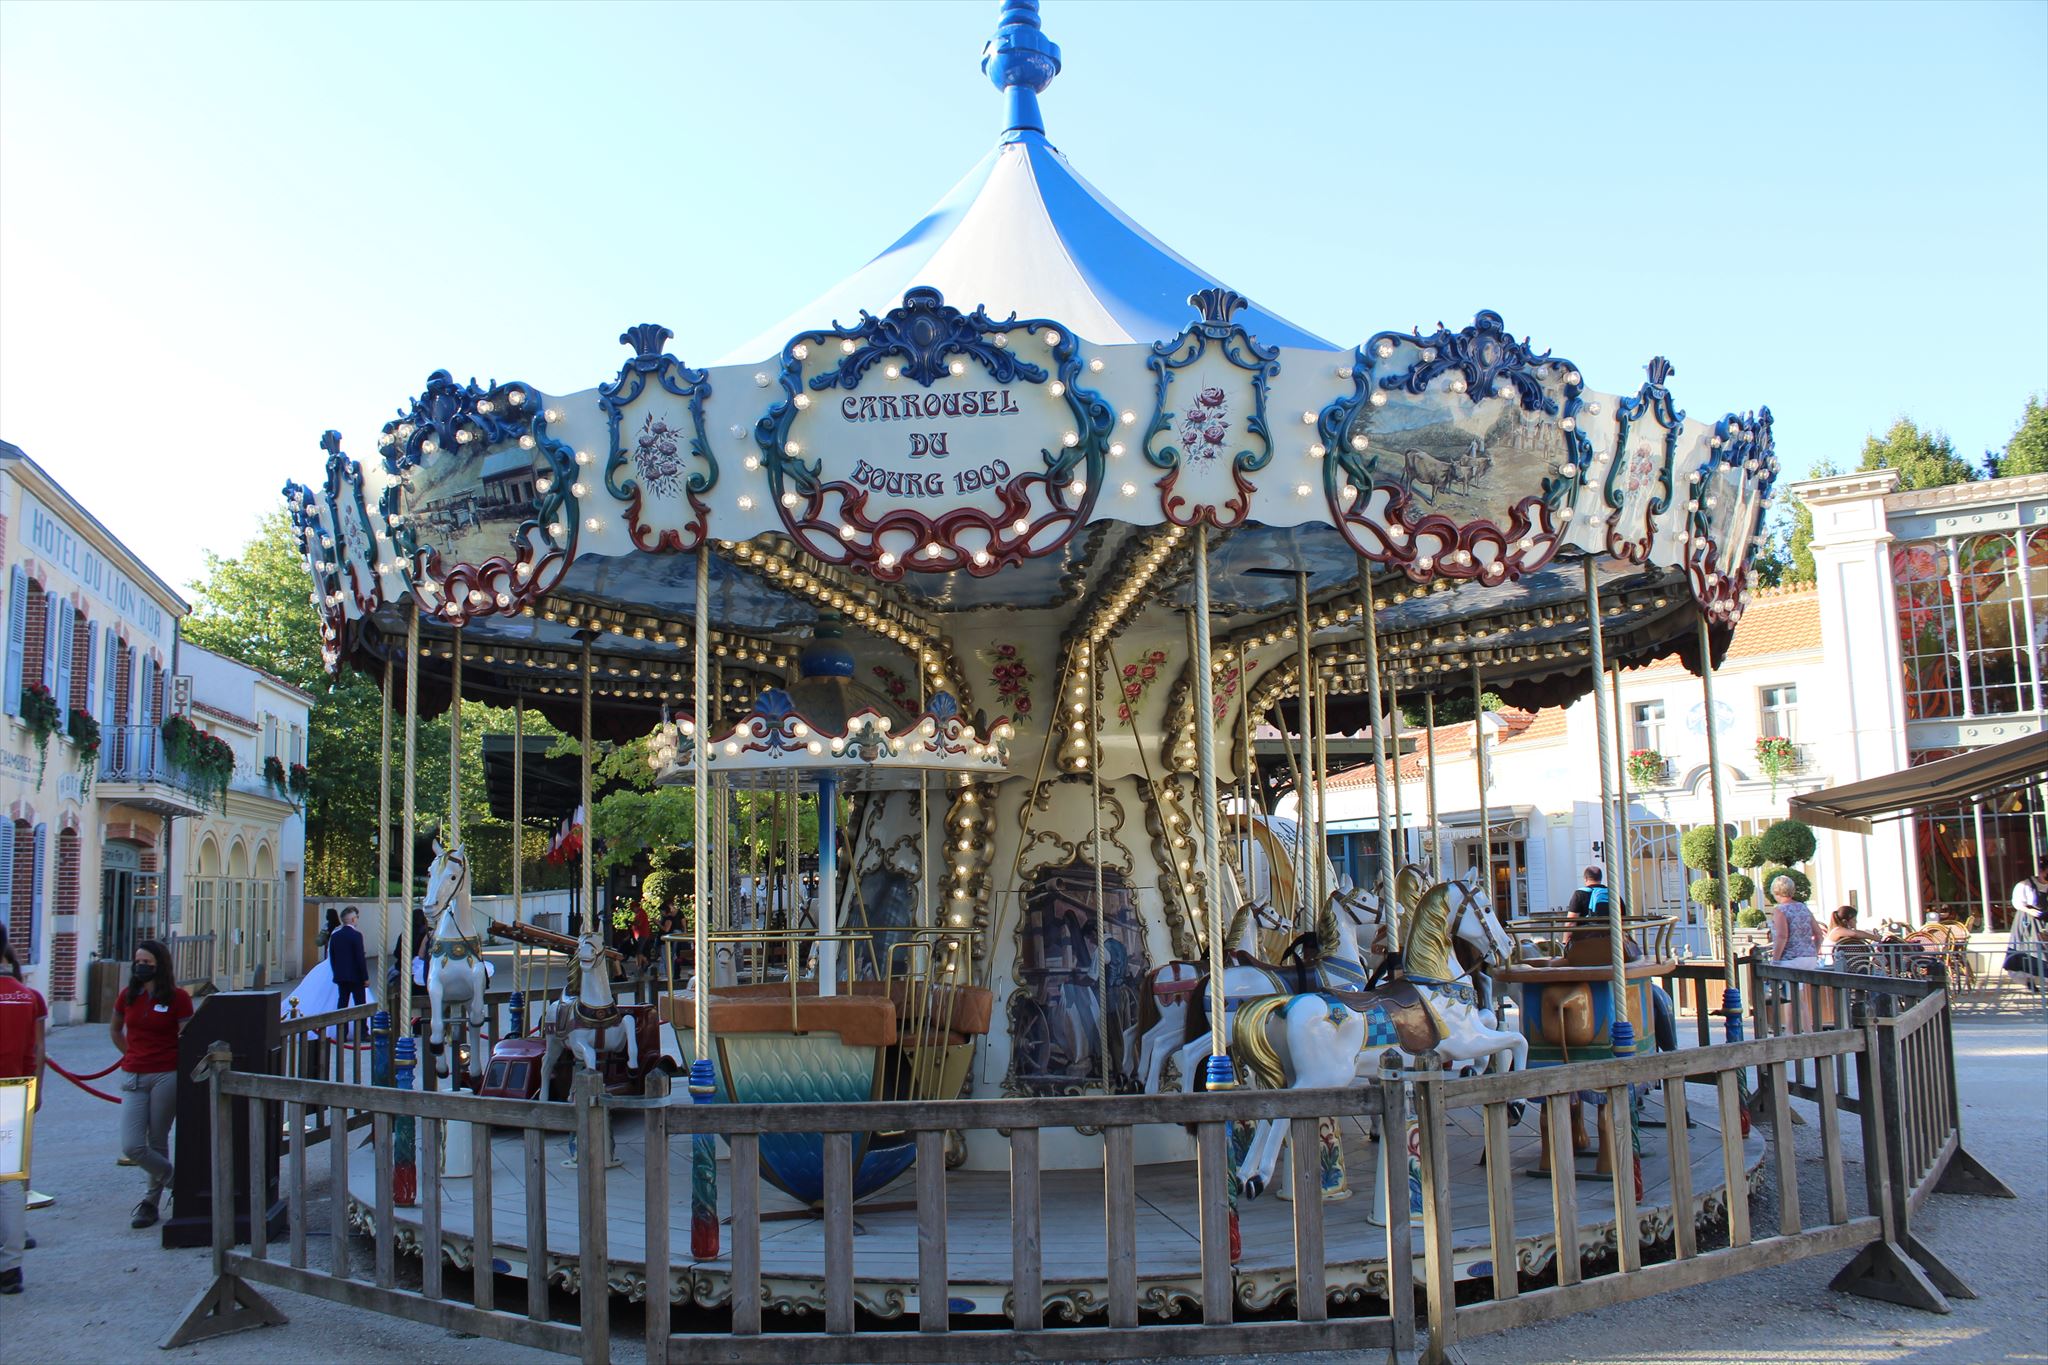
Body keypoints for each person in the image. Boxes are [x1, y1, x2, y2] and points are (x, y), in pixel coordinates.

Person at [109, 939, 192, 1229]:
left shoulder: (178, 998)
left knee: (157, 1139)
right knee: (133, 1145)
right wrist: (129, 1052)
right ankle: (177, 1183)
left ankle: (150, 1202)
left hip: (165, 1073)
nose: (141, 967)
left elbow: (187, 1036)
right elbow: (116, 1029)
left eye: (147, 962)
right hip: (134, 1072)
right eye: (138, 962)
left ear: (160, 965)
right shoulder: (127, 996)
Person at [0, 941, 47, 1293]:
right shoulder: (28, 996)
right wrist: (36, 1090)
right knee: (11, 1184)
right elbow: (37, 1050)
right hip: (15, 1089)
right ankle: (11, 1266)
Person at [1767, 875, 1822, 967]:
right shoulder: (1803, 907)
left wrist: (1775, 960)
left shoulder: (1780, 910)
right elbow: (1819, 934)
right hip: (1810, 959)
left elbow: (1782, 936)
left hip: (1789, 959)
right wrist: (1813, 953)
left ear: (1775, 891)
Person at [328, 906, 369, 1013]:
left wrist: (336, 973)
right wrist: (365, 977)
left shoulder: (335, 936)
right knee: (360, 1004)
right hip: (356, 976)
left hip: (341, 976)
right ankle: (362, 1029)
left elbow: (333, 957)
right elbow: (360, 958)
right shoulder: (356, 935)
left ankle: (342, 1028)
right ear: (353, 919)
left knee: (342, 1002)